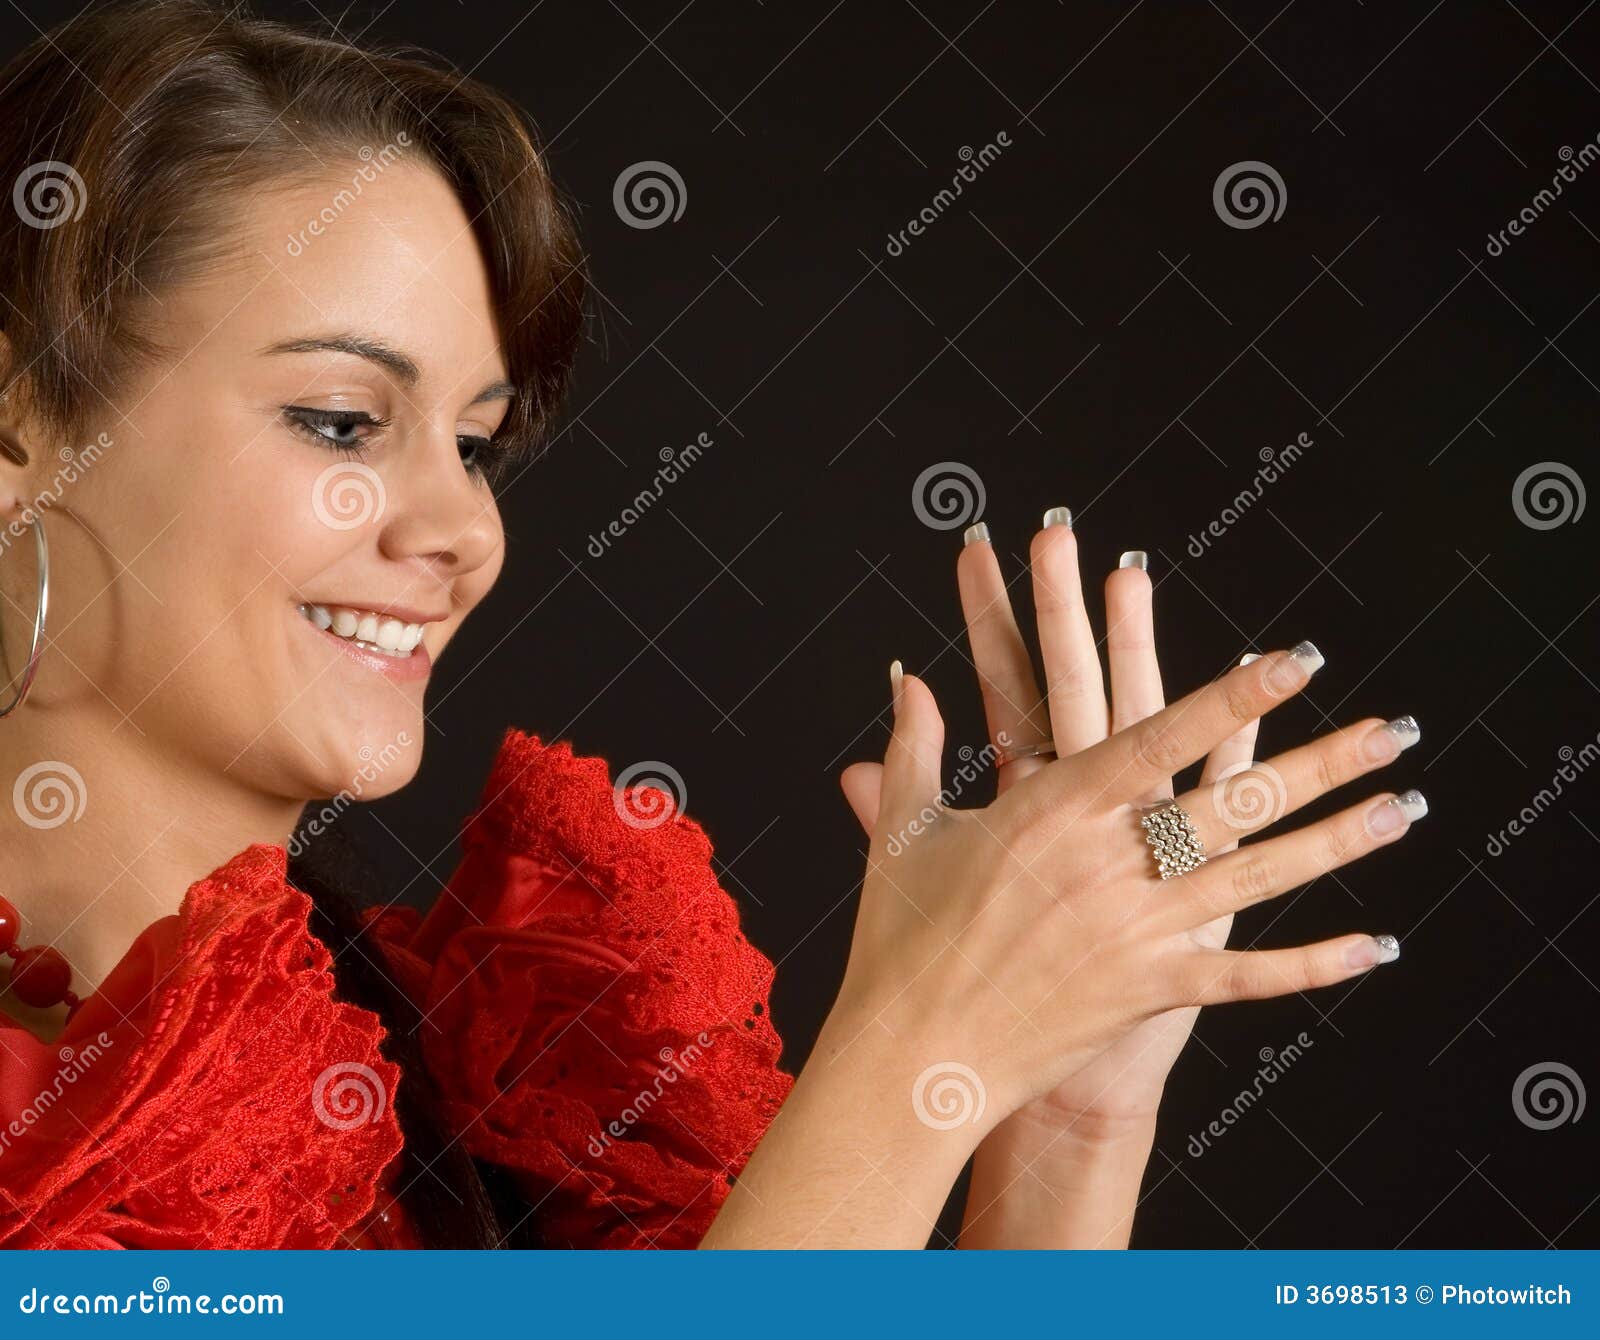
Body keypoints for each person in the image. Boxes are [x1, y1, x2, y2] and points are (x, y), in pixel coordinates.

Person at [0, 0, 1424, 1250]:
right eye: (340, 420)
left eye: (477, 445)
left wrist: (1064, 1119)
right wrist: (923, 1044)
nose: (465, 531)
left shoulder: (466, 1071)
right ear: (19, 433)